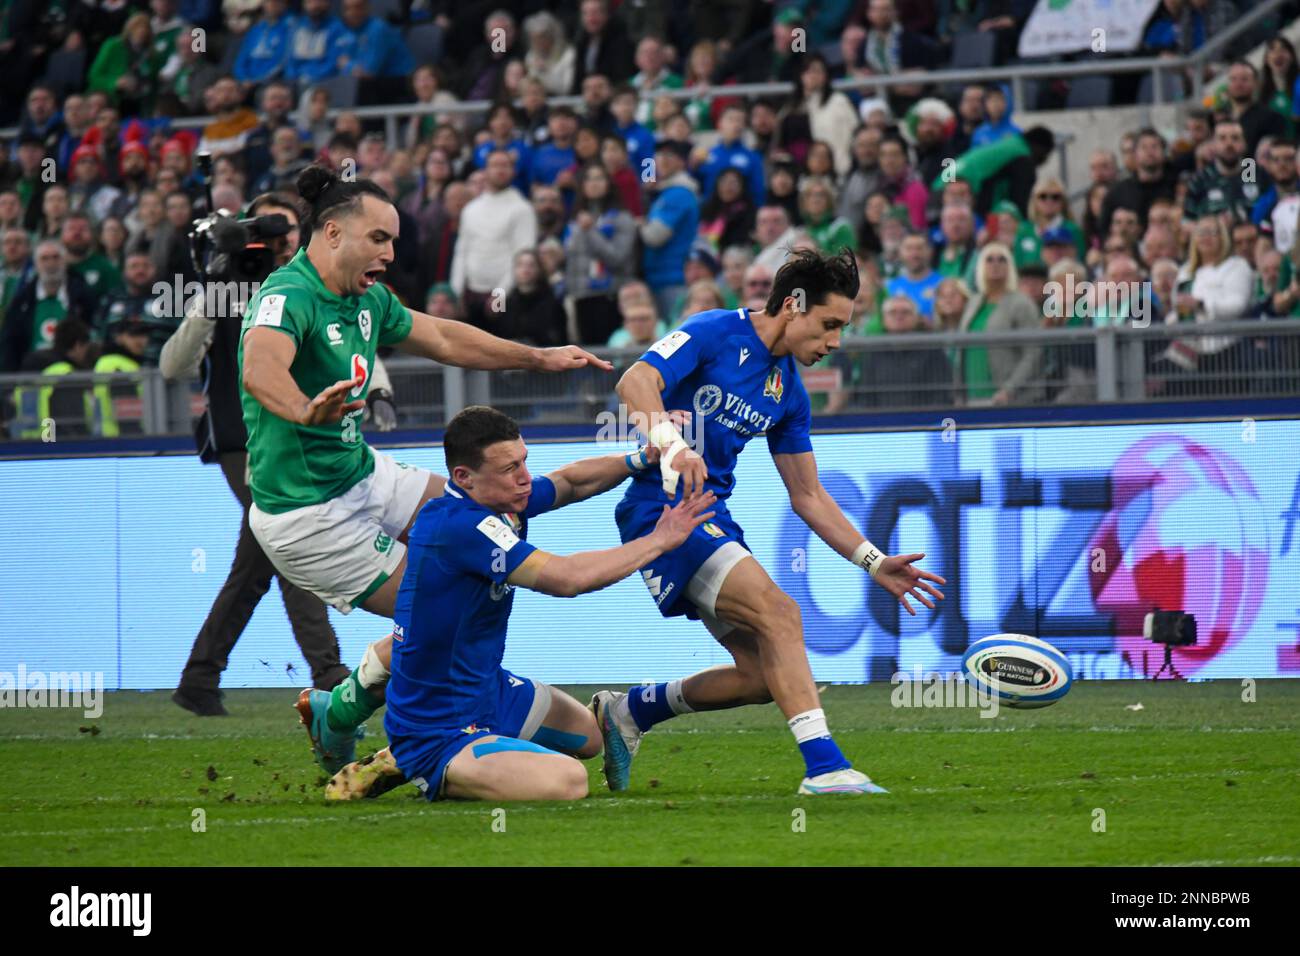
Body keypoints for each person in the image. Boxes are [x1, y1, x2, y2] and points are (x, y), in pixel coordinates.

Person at [238, 165, 610, 772]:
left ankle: (357, 709)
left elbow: (442, 337)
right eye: (378, 239)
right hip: (308, 518)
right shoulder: (288, 296)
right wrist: (303, 410)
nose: (389, 253)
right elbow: (260, 368)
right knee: (452, 598)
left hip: (362, 475)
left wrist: (536, 357)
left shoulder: (366, 300)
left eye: (394, 241)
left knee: (489, 519)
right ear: (332, 233)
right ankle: (361, 721)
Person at [590, 248, 946, 795]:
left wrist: (873, 561)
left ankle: (629, 712)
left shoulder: (790, 393)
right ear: (793, 305)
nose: (834, 342)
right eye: (829, 325)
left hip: (710, 516)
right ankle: (826, 768)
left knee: (760, 677)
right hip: (659, 510)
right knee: (780, 613)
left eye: (842, 330)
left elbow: (808, 495)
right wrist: (672, 444)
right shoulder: (713, 331)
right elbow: (634, 382)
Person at [326, 406, 716, 801]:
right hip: (439, 724)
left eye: (524, 461)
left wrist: (640, 458)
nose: (525, 477)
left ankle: (422, 759)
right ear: (464, 477)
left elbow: (569, 482)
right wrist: (658, 541)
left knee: (590, 738)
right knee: (569, 781)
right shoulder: (460, 526)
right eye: (510, 468)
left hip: (488, 689)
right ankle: (423, 764)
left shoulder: (501, 500)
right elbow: (567, 579)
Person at [158, 193, 346, 716]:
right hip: (242, 439)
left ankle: (200, 679)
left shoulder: (310, 287)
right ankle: (330, 673)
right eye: (264, 234)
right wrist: (214, 292)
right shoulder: (224, 291)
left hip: (296, 437)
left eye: (285, 232)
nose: (276, 243)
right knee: (289, 540)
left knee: (257, 562)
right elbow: (173, 367)